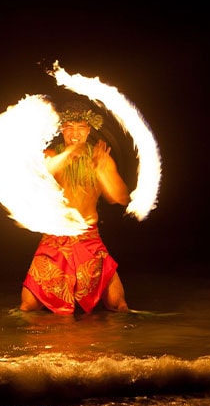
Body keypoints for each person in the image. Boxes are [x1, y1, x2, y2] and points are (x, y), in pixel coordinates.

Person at [20, 100, 132, 314]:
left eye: (80, 127)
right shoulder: (51, 156)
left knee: (119, 304)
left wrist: (100, 171)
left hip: (89, 239)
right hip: (55, 239)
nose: (74, 133)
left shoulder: (101, 159)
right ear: (61, 129)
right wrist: (67, 155)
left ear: (88, 130)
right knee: (27, 307)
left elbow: (120, 198)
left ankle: (118, 346)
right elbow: (40, 175)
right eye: (69, 127)